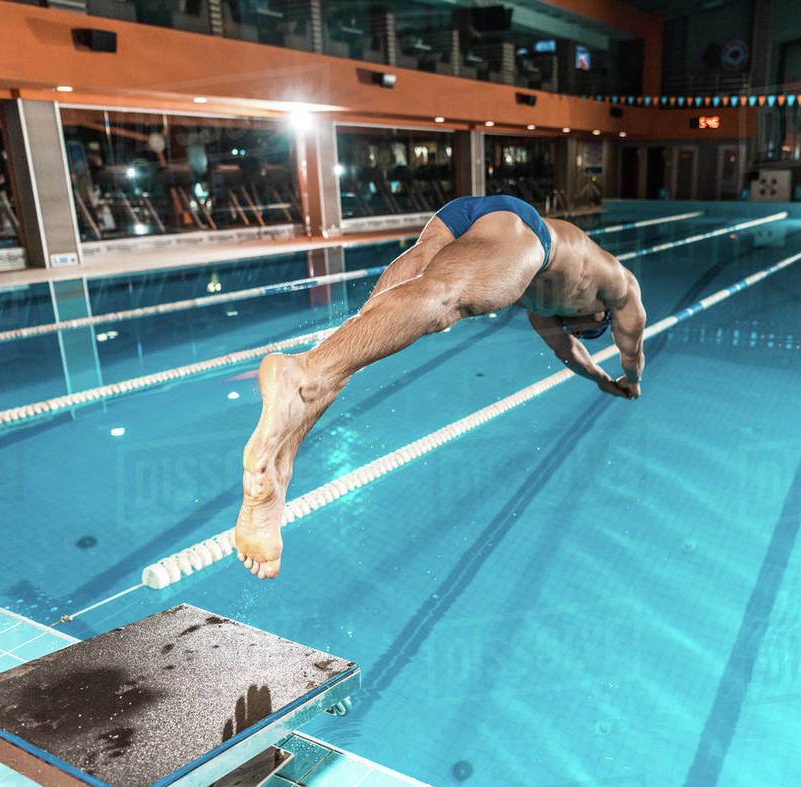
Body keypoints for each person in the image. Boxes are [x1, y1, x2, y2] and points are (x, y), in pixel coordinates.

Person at [235, 194, 646, 578]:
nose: (569, 329)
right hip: (525, 229)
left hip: (460, 217)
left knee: (364, 338)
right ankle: (299, 375)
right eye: (580, 327)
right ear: (601, 319)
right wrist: (630, 379)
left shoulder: (545, 316)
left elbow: (569, 355)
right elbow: (632, 349)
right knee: (448, 302)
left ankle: (281, 465)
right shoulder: (619, 286)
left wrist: (601, 381)